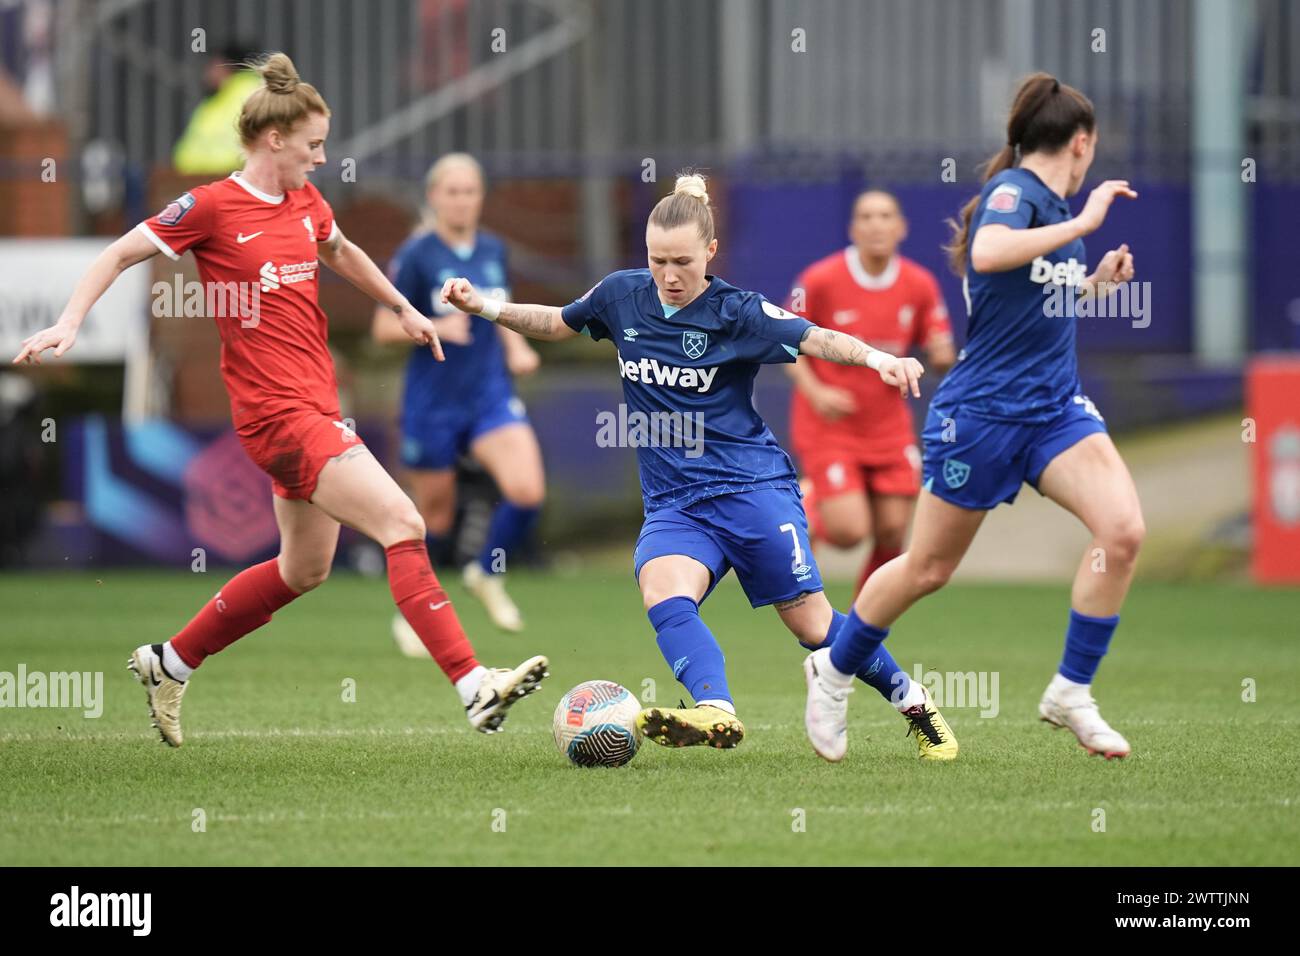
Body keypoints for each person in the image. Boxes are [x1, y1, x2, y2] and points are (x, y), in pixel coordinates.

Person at [13, 53, 548, 746]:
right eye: (314, 145)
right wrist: (69, 322)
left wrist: (403, 308)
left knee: (304, 569)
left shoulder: (305, 203)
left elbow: (343, 251)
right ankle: (474, 686)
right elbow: (118, 254)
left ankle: (171, 661)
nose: (322, 159)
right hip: (277, 417)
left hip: (315, 406)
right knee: (403, 522)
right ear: (274, 140)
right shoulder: (210, 207)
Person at [440, 173, 957, 761]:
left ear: (710, 251)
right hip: (676, 504)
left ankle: (913, 702)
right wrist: (484, 307)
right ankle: (715, 709)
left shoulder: (737, 311)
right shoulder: (621, 295)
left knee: (812, 625)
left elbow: (814, 337)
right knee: (661, 590)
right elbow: (558, 322)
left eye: (682, 262)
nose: (669, 275)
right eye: (657, 260)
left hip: (752, 490)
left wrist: (877, 359)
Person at [803, 73, 1141, 761]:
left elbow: (1034, 296)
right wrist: (1084, 224)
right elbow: (988, 252)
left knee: (1123, 531)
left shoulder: (1049, 207)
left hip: (1055, 409)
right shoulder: (1014, 193)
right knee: (927, 569)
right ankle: (833, 669)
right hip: (982, 415)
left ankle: (1071, 691)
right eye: (1092, 147)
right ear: (1081, 142)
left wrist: (1092, 282)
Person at [372, 153, 544, 648]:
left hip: (490, 396)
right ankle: (414, 613)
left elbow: (500, 310)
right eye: (452, 191)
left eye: (470, 191)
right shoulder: (417, 254)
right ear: (434, 197)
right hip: (433, 404)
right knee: (436, 518)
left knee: (527, 491)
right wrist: (437, 326)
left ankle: (484, 572)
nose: (462, 200)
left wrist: (517, 347)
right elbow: (382, 327)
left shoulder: (493, 249)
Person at [787, 189, 955, 595]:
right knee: (849, 531)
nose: (876, 225)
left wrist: (942, 356)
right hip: (831, 424)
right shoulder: (821, 279)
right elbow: (784, 343)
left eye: (885, 216)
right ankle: (806, 502)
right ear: (853, 229)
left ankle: (863, 621)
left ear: (902, 227)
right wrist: (817, 392)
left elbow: (941, 352)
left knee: (893, 531)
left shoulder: (919, 284)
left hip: (888, 427)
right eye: (866, 217)